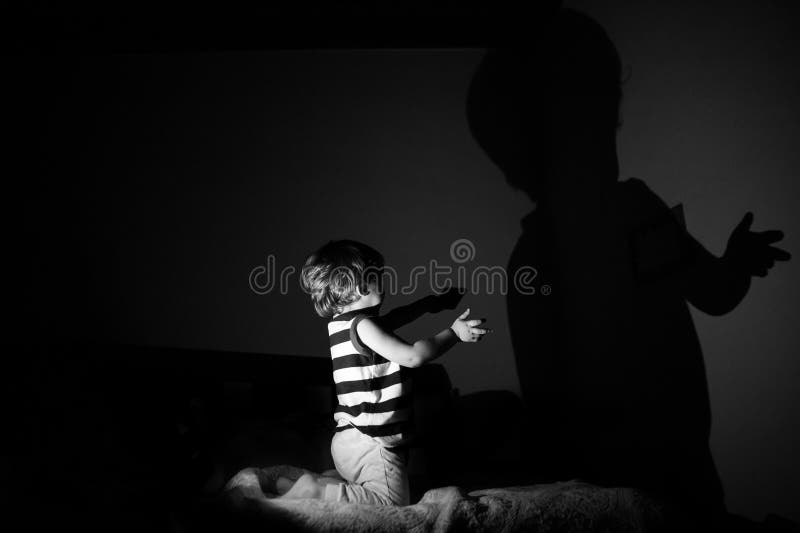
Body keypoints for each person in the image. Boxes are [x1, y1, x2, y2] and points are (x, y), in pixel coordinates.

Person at [465, 7, 790, 528]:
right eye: (589, 124)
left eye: (607, 119)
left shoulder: (629, 216)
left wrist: (737, 263)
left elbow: (713, 291)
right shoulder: (571, 243)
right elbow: (546, 401)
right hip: (611, 491)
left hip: (674, 479)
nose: (605, 139)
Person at [277, 239, 490, 505]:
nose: (385, 281)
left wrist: (430, 304)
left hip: (349, 440)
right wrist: (454, 334)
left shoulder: (344, 325)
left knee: (367, 491)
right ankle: (315, 491)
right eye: (378, 275)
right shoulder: (364, 326)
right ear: (359, 284)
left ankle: (319, 484)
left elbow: (398, 316)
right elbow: (414, 356)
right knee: (391, 504)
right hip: (372, 444)